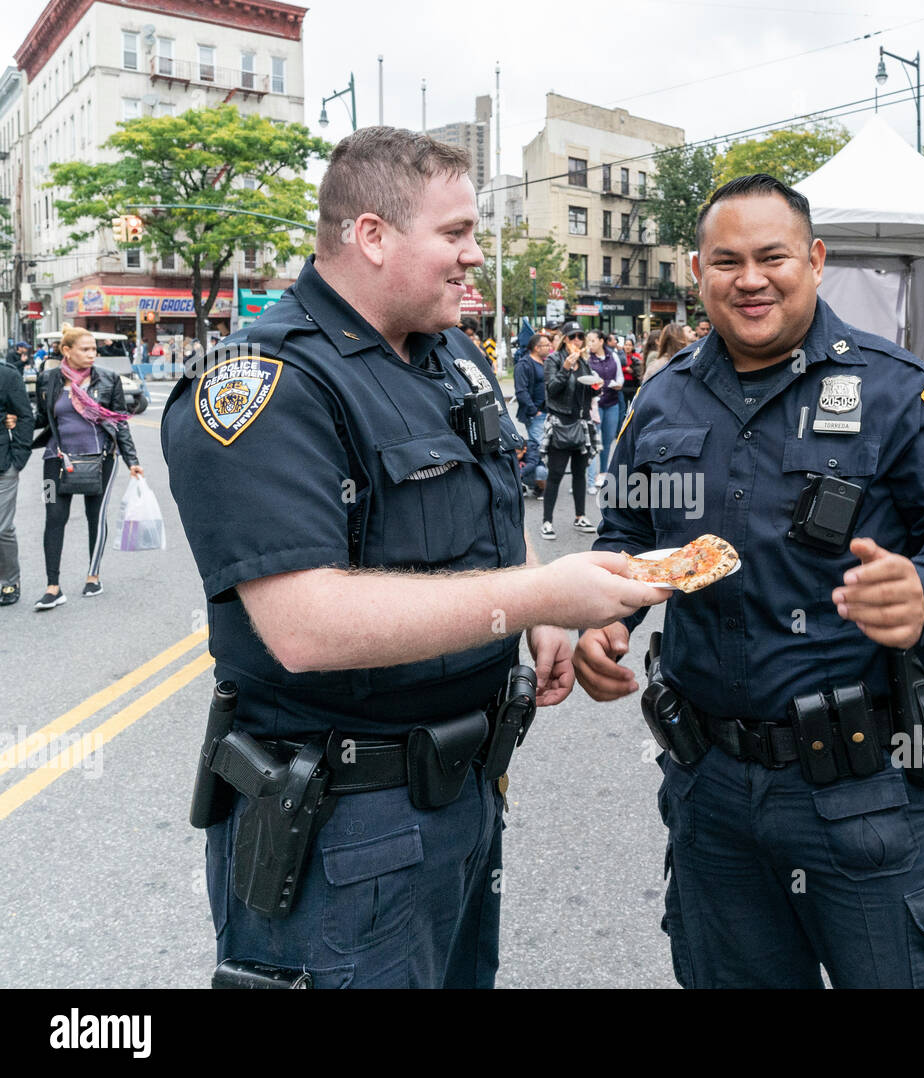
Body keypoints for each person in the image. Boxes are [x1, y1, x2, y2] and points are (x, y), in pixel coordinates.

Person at [160, 128, 666, 990]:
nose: (476, 257)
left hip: (464, 795)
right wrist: (535, 592)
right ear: (372, 236)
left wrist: (539, 609)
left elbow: (489, 517)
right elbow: (306, 626)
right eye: (457, 233)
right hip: (340, 830)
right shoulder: (262, 381)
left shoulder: (453, 358)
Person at [572, 173, 924, 989]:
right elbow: (628, 533)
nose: (751, 279)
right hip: (709, 789)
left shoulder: (898, 387)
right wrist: (607, 622)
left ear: (814, 260)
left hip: (862, 794)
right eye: (726, 260)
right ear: (697, 270)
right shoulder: (662, 399)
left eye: (772, 256)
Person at [32, 325, 145, 609]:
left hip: (101, 460)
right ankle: (53, 586)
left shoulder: (108, 379)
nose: (92, 354)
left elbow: (119, 422)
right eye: (85, 349)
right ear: (66, 351)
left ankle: (93, 576)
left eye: (94, 349)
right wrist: (13, 422)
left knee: (96, 517)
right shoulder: (48, 379)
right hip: (55, 461)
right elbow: (40, 418)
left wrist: (133, 461)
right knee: (53, 517)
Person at [539, 322, 600, 540]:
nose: (577, 341)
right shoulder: (554, 360)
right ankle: (547, 521)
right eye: (573, 337)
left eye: (580, 337)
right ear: (565, 339)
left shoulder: (583, 362)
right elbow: (552, 390)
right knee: (555, 475)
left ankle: (580, 516)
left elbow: (589, 390)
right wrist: (565, 368)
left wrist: (596, 386)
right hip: (561, 424)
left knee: (580, 474)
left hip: (581, 423)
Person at [0, 358, 34, 606]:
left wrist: (18, 458)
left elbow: (24, 416)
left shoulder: (7, 375)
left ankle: (9, 581)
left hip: (3, 464)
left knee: (1, 528)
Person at [584, 330, 623, 493]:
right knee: (593, 443)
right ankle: (590, 480)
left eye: (593, 341)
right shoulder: (586, 359)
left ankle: (603, 474)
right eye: (588, 341)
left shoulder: (612, 356)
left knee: (607, 442)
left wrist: (617, 384)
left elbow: (620, 377)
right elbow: (586, 381)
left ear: (601, 341)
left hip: (612, 404)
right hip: (594, 406)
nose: (590, 344)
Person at [514, 331, 550, 497]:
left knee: (544, 449)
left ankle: (538, 481)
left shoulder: (543, 362)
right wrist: (533, 411)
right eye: (546, 345)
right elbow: (521, 391)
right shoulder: (524, 364)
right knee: (540, 449)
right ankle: (535, 481)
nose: (549, 348)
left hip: (546, 413)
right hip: (535, 414)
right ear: (536, 347)